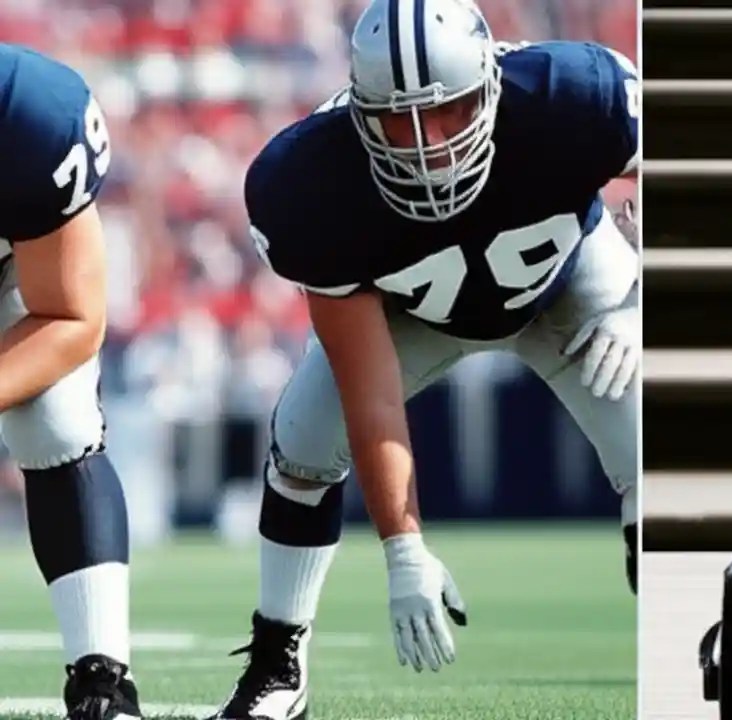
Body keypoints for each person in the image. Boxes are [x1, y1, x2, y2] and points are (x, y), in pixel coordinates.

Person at [206, 0, 638, 717]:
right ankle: (278, 666)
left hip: (570, 289)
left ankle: (694, 628)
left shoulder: (575, 94)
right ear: (358, 112)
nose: (427, 145)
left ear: (492, 86)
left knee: (662, 456)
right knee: (305, 439)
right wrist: (403, 548)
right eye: (396, 121)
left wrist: (639, 302)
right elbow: (369, 395)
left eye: (450, 112)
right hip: (414, 316)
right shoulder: (309, 183)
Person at [0, 44, 143, 720]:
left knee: (53, 418)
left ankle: (103, 679)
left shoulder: (30, 112)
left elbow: (69, 318)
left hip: (14, 259)